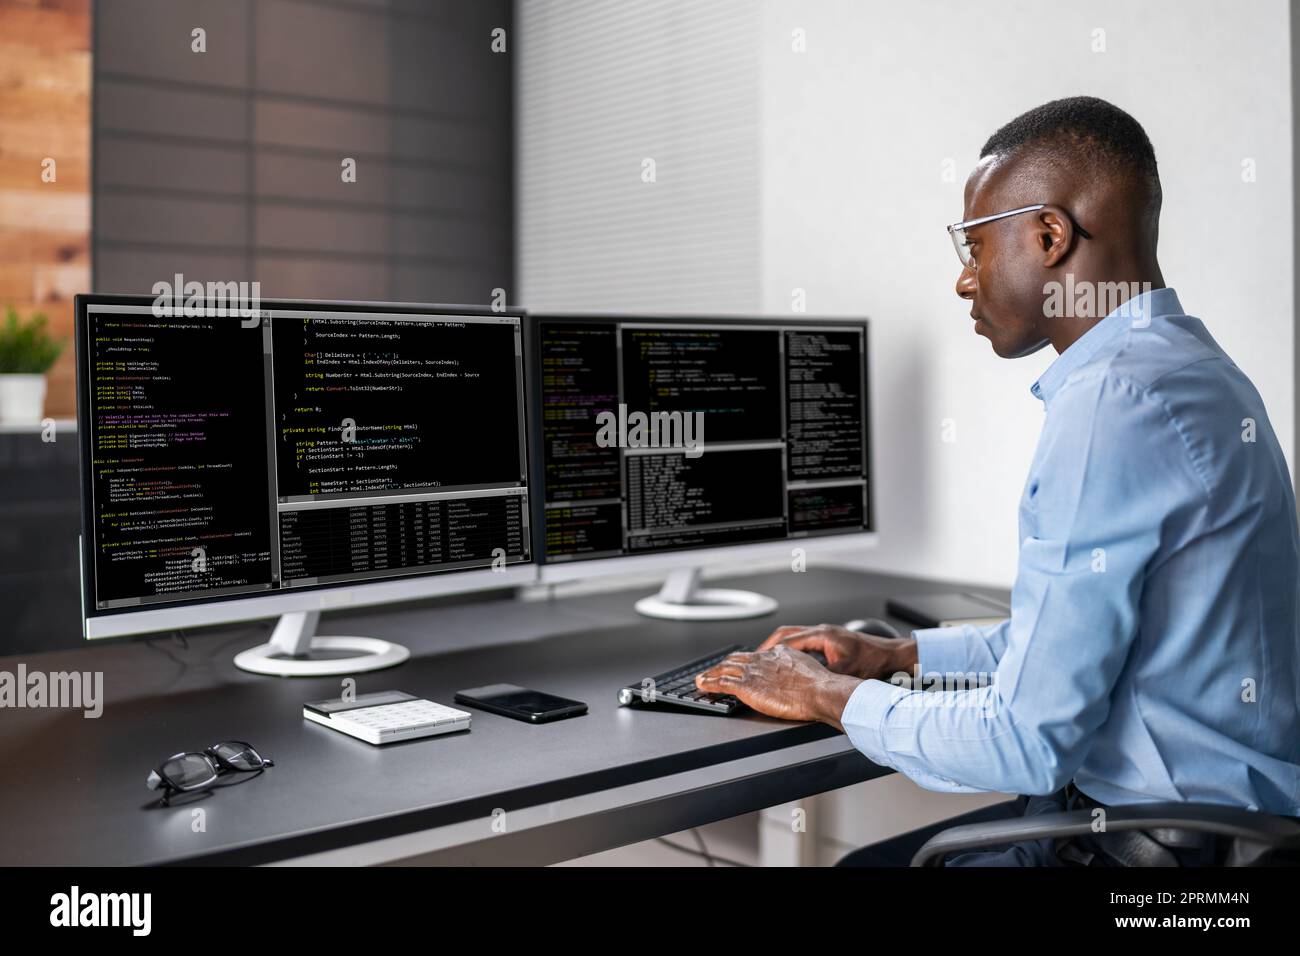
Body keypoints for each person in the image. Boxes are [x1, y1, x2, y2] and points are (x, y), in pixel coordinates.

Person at [695, 96, 1300, 866]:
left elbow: (1025, 742)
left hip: (1153, 858)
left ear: (1049, 235)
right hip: (1227, 835)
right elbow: (1061, 648)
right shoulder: (1195, 373)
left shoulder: (1112, 403)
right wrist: (896, 657)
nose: (963, 281)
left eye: (973, 247)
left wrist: (823, 694)